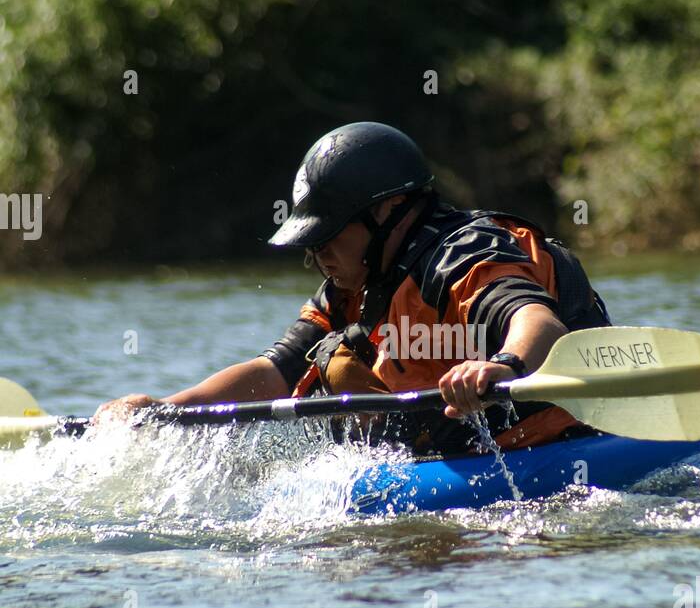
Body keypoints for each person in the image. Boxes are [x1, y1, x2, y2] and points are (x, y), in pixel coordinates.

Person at [97, 122, 611, 455]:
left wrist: (503, 367)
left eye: (328, 233)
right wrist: (163, 410)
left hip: (557, 446)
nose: (317, 253)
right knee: (329, 358)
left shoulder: (461, 253)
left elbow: (538, 323)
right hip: (467, 445)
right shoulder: (353, 285)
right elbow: (275, 371)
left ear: (387, 210)